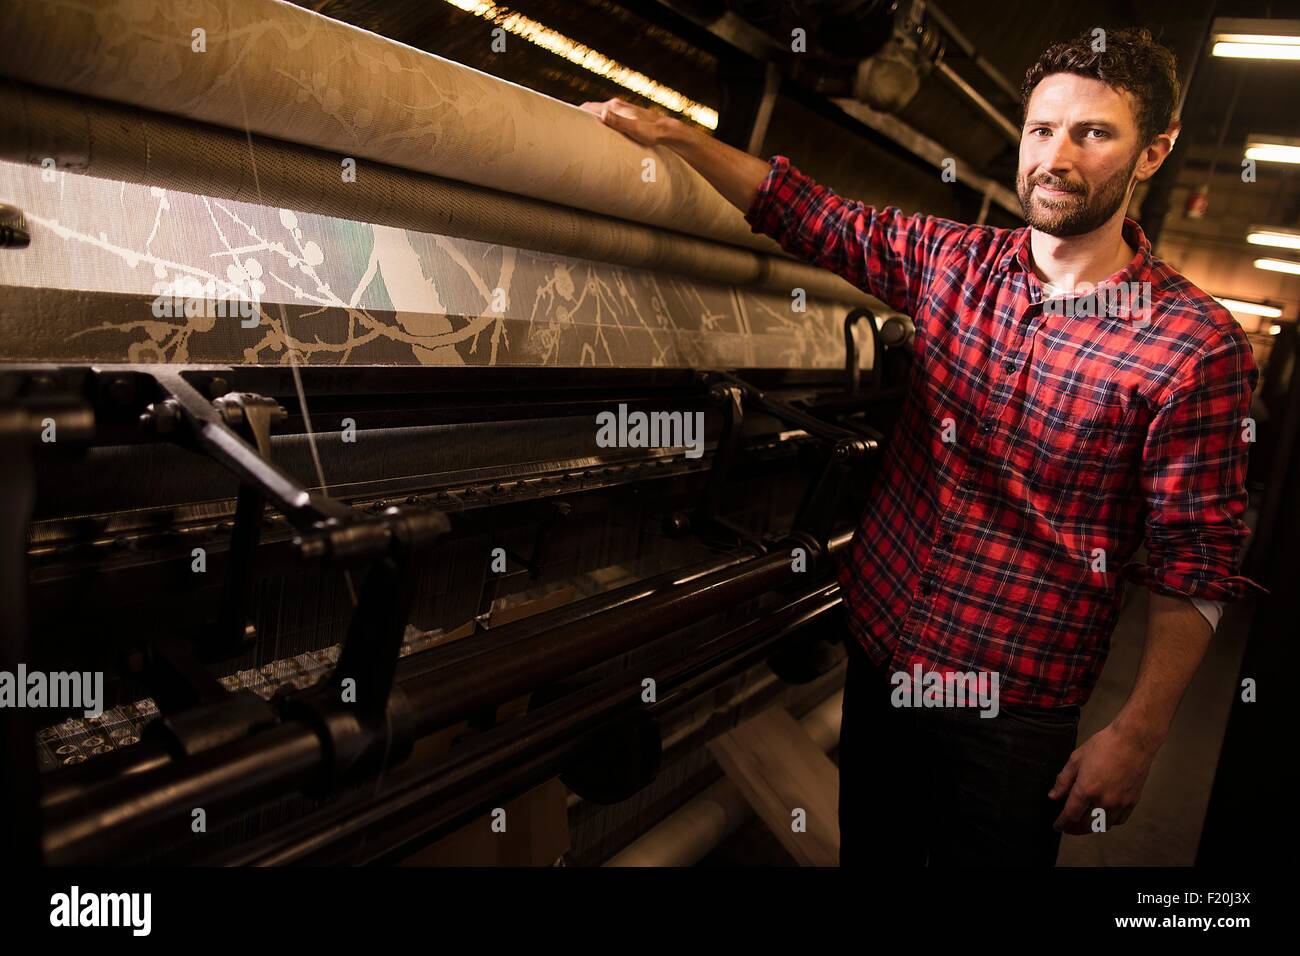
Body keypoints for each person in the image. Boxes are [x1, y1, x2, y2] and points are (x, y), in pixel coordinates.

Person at [581, 26, 1268, 866]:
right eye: (1043, 130)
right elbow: (810, 213)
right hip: (886, 659)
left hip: (1011, 710)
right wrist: (673, 134)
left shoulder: (1193, 345)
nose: (1057, 157)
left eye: (1094, 134)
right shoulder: (954, 262)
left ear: (1152, 153)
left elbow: (1192, 559)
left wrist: (1141, 730)